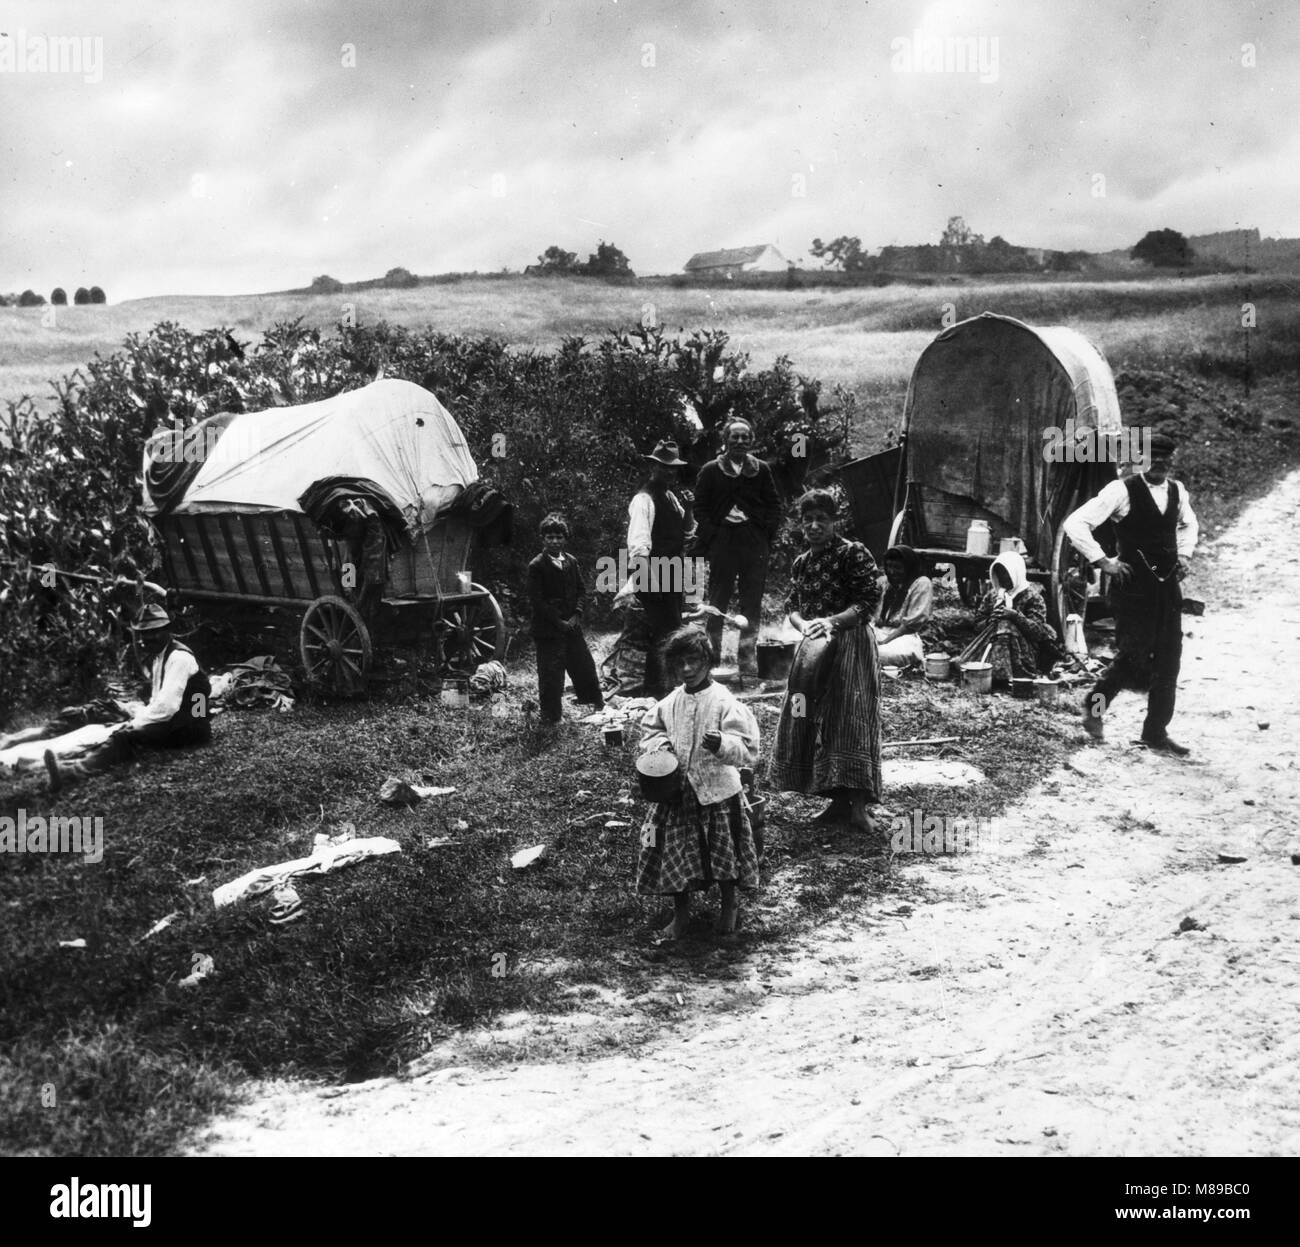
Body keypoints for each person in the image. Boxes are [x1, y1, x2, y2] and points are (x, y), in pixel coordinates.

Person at [1063, 431, 1198, 754]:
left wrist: (1185, 554)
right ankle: (1093, 710)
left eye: (1166, 459)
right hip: (1132, 590)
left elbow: (1189, 525)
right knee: (1131, 656)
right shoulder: (1121, 490)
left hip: (1167, 590)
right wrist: (1102, 561)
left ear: (1172, 461)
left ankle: (1155, 732)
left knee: (1169, 659)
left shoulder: (1178, 492)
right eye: (1153, 458)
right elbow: (1075, 523)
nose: (1159, 465)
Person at [768, 489, 884, 832]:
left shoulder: (852, 553)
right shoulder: (802, 562)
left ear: (835, 521)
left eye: (822, 519)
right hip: (814, 649)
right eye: (808, 520)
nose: (815, 526)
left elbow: (867, 602)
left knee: (851, 720)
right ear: (801, 525)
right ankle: (835, 803)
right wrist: (805, 625)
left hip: (850, 647)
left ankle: (859, 807)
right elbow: (791, 606)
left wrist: (832, 621)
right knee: (812, 717)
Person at [636, 627, 760, 939]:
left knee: (722, 852)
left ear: (708, 661)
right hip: (678, 794)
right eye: (680, 663)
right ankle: (681, 914)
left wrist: (722, 743)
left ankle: (729, 905)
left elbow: (746, 747)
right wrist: (660, 746)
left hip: (717, 792)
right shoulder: (671, 701)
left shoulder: (722, 700)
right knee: (676, 851)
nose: (687, 669)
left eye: (694, 661)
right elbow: (651, 727)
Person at [43, 605, 212, 791]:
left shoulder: (178, 658)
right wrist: (140, 718)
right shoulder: (161, 656)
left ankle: (71, 773)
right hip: (182, 721)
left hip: (192, 729)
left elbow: (166, 707)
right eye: (144, 633)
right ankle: (70, 765)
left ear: (167, 630)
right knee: (123, 732)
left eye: (155, 632)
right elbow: (157, 699)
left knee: (124, 737)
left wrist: (137, 723)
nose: (148, 638)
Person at [691, 418, 782, 678]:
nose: (740, 442)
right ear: (725, 440)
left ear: (751, 441)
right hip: (723, 541)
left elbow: (774, 505)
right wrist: (714, 533)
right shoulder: (710, 469)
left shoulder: (761, 469)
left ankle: (747, 661)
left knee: (751, 601)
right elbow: (700, 507)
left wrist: (765, 534)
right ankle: (713, 659)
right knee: (717, 600)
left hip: (754, 542)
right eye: (735, 437)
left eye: (745, 437)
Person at [627, 439, 696, 697]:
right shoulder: (644, 499)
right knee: (665, 632)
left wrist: (688, 508)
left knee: (670, 631)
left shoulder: (671, 497)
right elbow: (638, 544)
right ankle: (660, 691)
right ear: (653, 467)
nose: (670, 472)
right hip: (652, 572)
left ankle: (660, 687)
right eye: (664, 467)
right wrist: (649, 582)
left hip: (672, 571)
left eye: (673, 468)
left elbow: (687, 531)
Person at [526, 513, 603, 725]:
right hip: (548, 629)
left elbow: (581, 590)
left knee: (584, 665)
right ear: (543, 539)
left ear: (565, 539)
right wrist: (558, 621)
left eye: (559, 537)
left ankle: (594, 703)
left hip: (572, 626)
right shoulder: (537, 565)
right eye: (550, 537)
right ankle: (551, 716)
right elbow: (537, 600)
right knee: (551, 674)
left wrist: (577, 614)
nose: (554, 541)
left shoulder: (571, 561)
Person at [972, 550, 1060, 682]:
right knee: (1002, 624)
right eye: (1000, 574)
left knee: (1006, 625)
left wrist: (1015, 616)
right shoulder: (993, 595)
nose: (1003, 578)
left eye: (1007, 574)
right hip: (989, 647)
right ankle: (995, 671)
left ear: (1016, 573)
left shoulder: (1033, 597)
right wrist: (990, 620)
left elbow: (1038, 632)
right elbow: (977, 624)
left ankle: (1005, 675)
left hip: (1023, 652)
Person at [873, 544, 933, 668]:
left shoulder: (921, 584)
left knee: (882, 654)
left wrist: (884, 641)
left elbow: (910, 626)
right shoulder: (883, 582)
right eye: (889, 566)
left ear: (908, 568)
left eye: (898, 567)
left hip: (902, 637)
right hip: (878, 631)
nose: (892, 571)